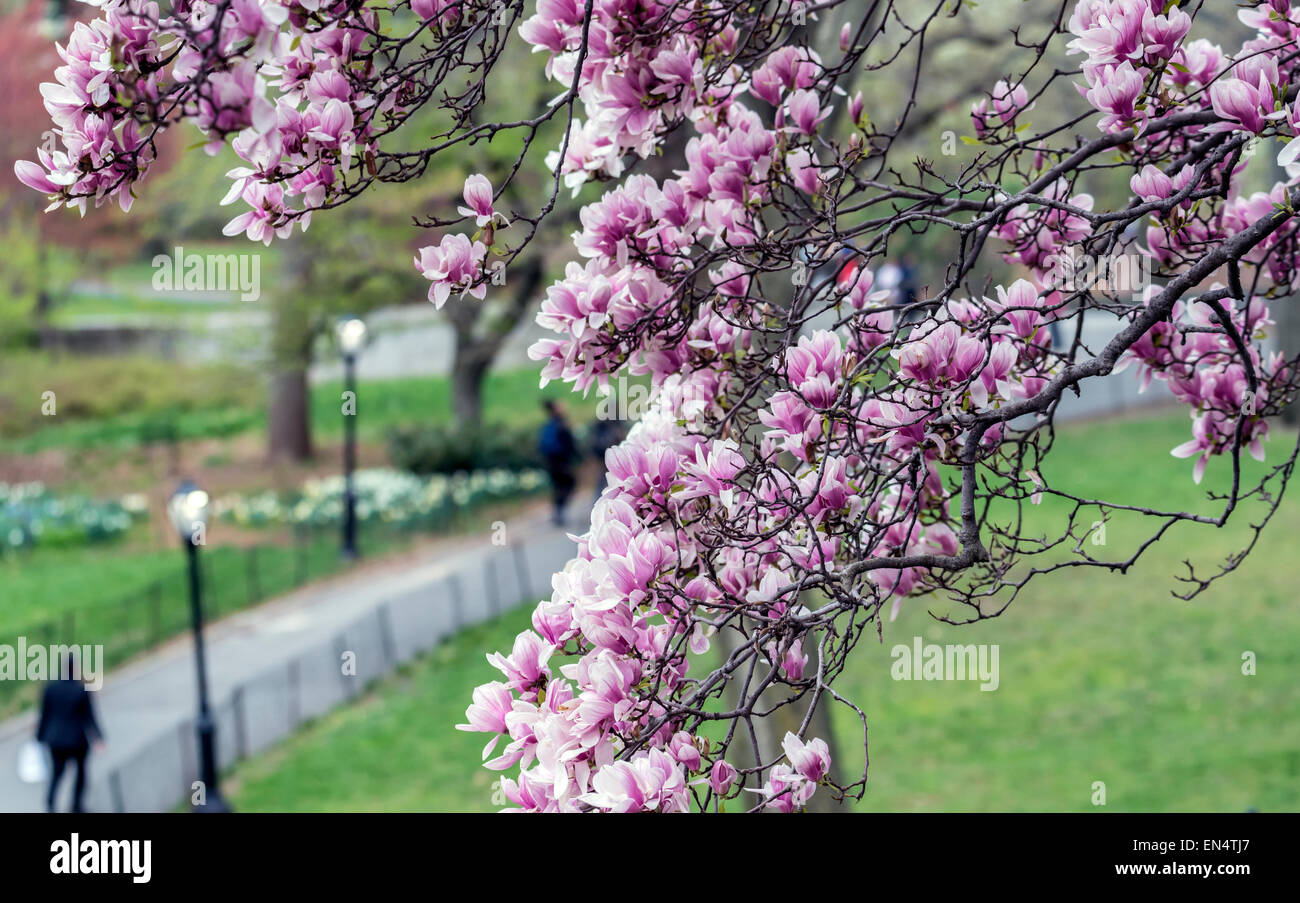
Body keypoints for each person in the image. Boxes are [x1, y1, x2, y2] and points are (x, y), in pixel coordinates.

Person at [36, 654, 104, 813]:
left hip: (56, 740)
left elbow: (44, 715)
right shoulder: (80, 689)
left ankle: (51, 804)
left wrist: (39, 737)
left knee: (57, 773)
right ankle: (76, 805)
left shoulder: (50, 688)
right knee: (81, 774)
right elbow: (90, 716)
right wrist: (98, 738)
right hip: (76, 740)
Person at [539, 399, 579, 526]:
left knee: (559, 486)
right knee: (568, 484)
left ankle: (557, 511)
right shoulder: (561, 424)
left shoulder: (549, 424)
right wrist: (580, 457)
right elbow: (570, 444)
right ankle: (559, 511)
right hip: (562, 461)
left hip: (551, 461)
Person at [589, 406, 627, 502]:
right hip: (612, 456)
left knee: (603, 479)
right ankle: (602, 500)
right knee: (610, 478)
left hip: (602, 455)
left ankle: (599, 500)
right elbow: (621, 438)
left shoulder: (599, 422)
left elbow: (592, 441)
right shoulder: (615, 423)